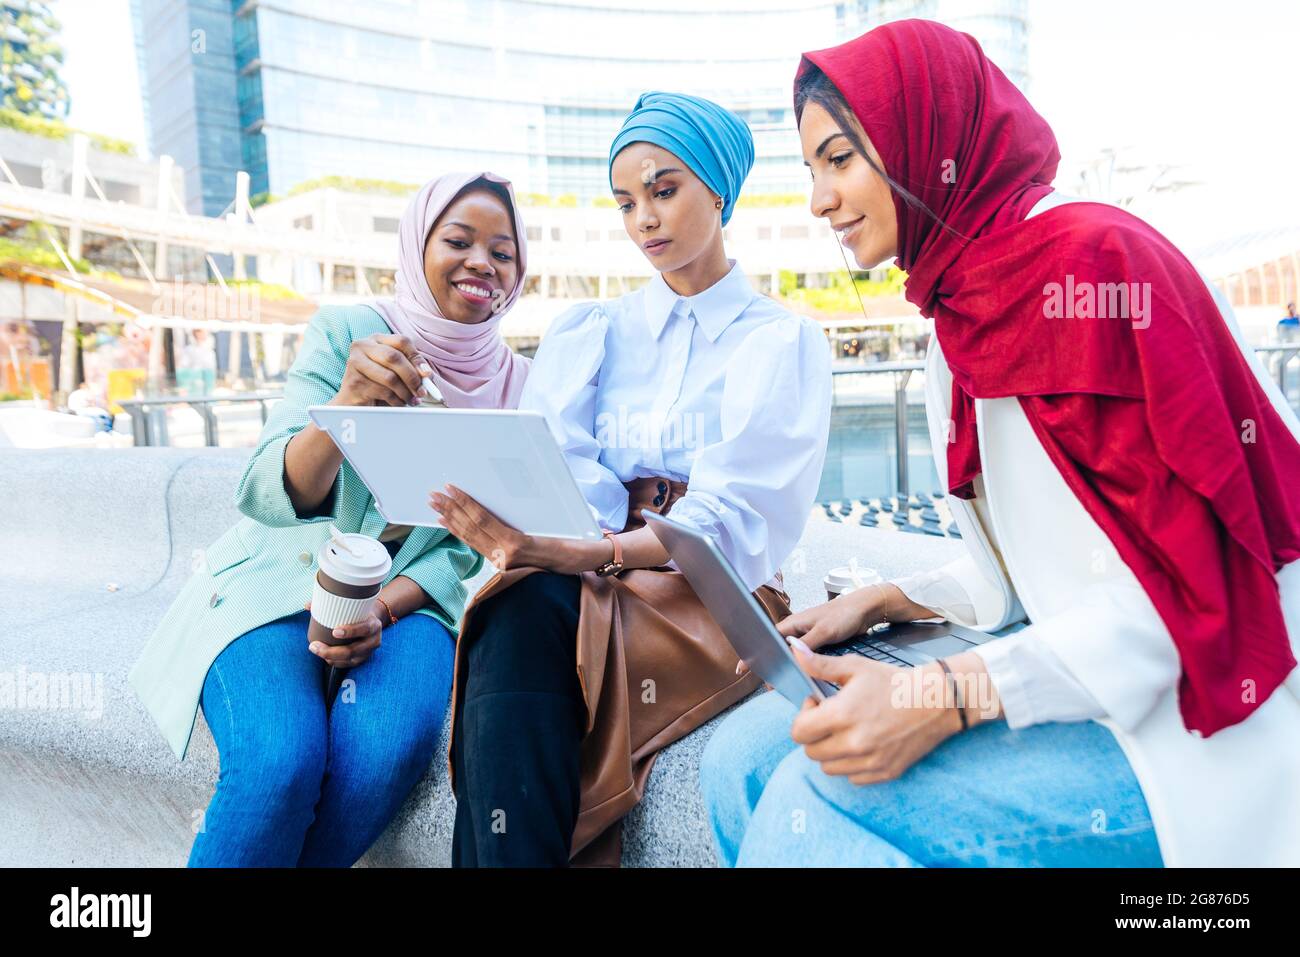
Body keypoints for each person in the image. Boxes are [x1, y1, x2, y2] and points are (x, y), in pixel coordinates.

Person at [701, 20, 1300, 867]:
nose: (819, 199)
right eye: (811, 170)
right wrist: (881, 603)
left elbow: (1185, 600)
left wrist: (943, 696)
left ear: (924, 136)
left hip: (1196, 722)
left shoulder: (1101, 267)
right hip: (1081, 676)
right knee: (736, 761)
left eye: (839, 159)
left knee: (824, 787)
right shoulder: (958, 311)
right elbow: (1028, 579)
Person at [434, 92, 832, 867]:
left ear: (719, 189)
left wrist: (579, 556)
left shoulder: (780, 342)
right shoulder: (593, 332)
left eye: (663, 189)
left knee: (522, 619)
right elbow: (561, 481)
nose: (644, 218)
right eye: (625, 201)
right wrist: (544, 540)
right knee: (513, 608)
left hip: (715, 595)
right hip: (593, 574)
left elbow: (729, 522)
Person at [130, 171, 530, 867]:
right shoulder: (352, 333)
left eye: (502, 251)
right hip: (280, 585)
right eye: (459, 240)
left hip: (413, 606)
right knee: (278, 762)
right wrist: (346, 408)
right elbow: (264, 489)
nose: (481, 263)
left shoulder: (521, 388)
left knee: (379, 753)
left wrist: (381, 605)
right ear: (417, 246)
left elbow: (476, 550)